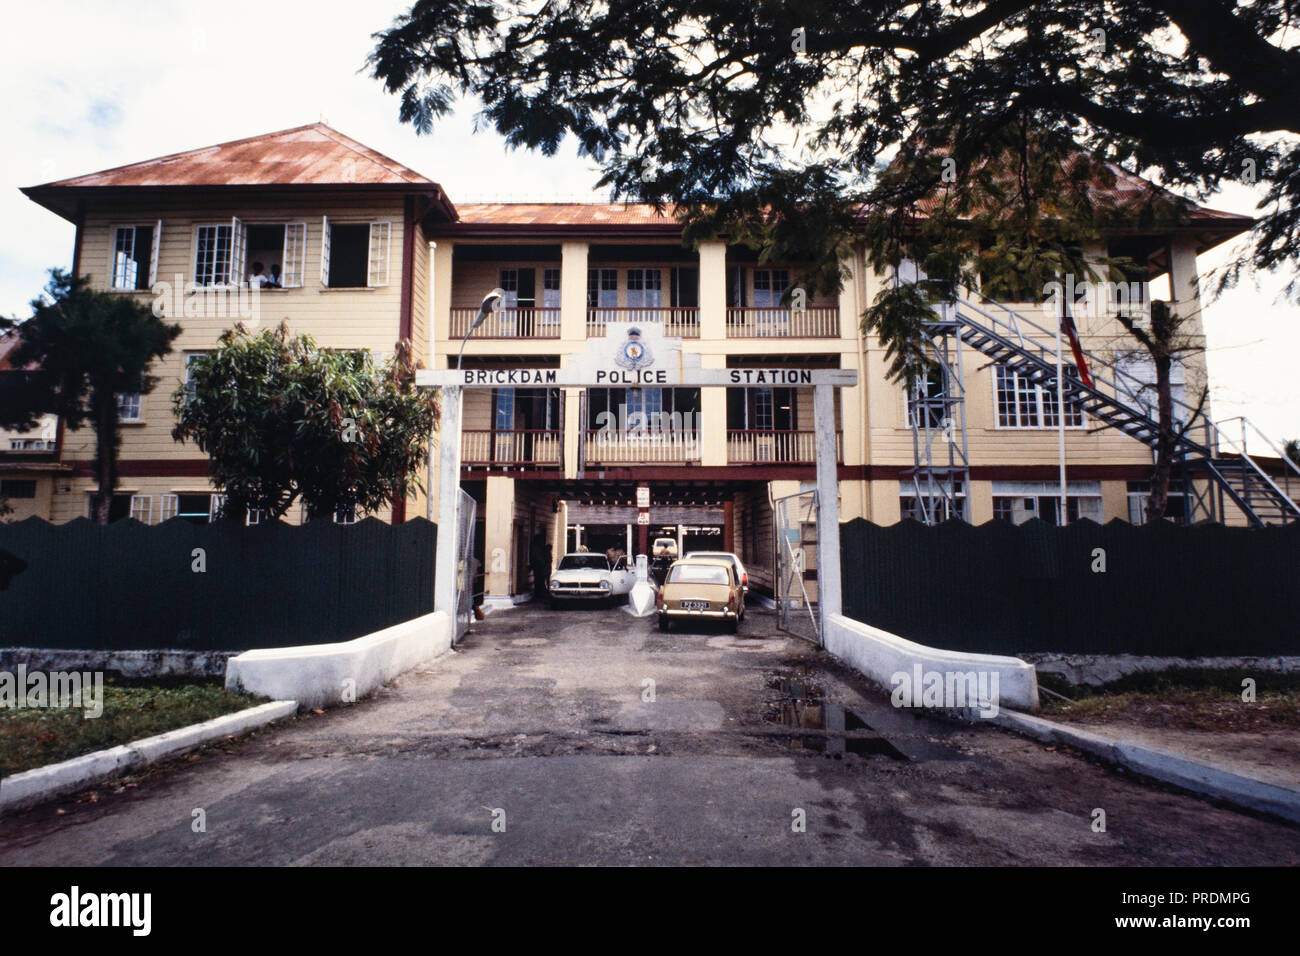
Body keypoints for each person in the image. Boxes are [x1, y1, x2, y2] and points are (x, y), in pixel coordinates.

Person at [529, 533, 551, 601]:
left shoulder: (540, 548)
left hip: (542, 567)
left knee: (541, 580)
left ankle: (541, 592)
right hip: (539, 567)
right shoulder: (537, 548)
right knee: (539, 580)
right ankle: (539, 593)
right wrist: (542, 563)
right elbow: (538, 558)